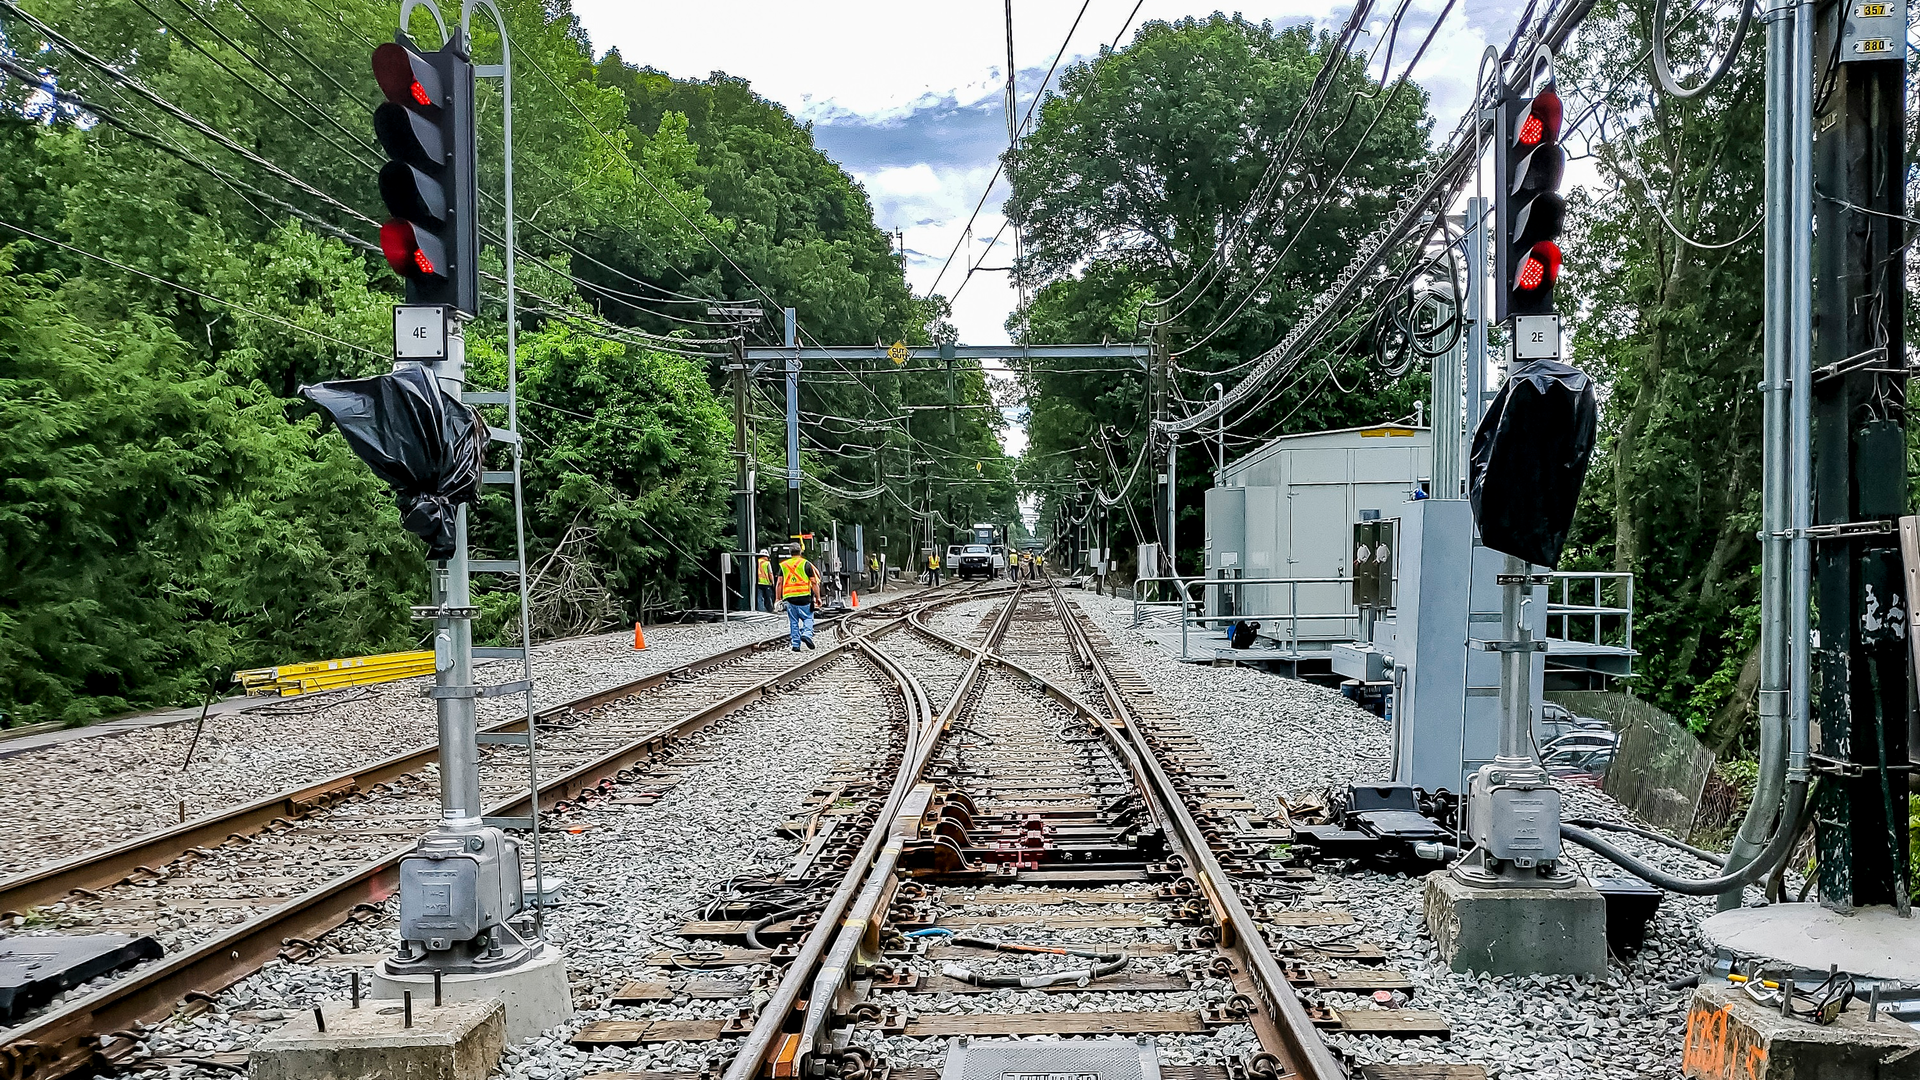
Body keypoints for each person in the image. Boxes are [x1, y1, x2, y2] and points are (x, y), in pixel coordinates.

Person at [778, 544, 820, 650]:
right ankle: (806, 634)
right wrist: (818, 597)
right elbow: (814, 582)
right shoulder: (806, 564)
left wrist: (777, 598)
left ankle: (795, 645)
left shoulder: (783, 565)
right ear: (800, 552)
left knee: (793, 621)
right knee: (808, 618)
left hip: (790, 598)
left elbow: (779, 583)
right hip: (805, 597)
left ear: (790, 553)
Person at [755, 549, 775, 613]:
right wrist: (772, 582)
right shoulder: (767, 563)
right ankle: (770, 610)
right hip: (766, 582)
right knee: (768, 597)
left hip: (758, 582)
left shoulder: (756, 561)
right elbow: (770, 573)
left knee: (759, 597)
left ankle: (761, 610)